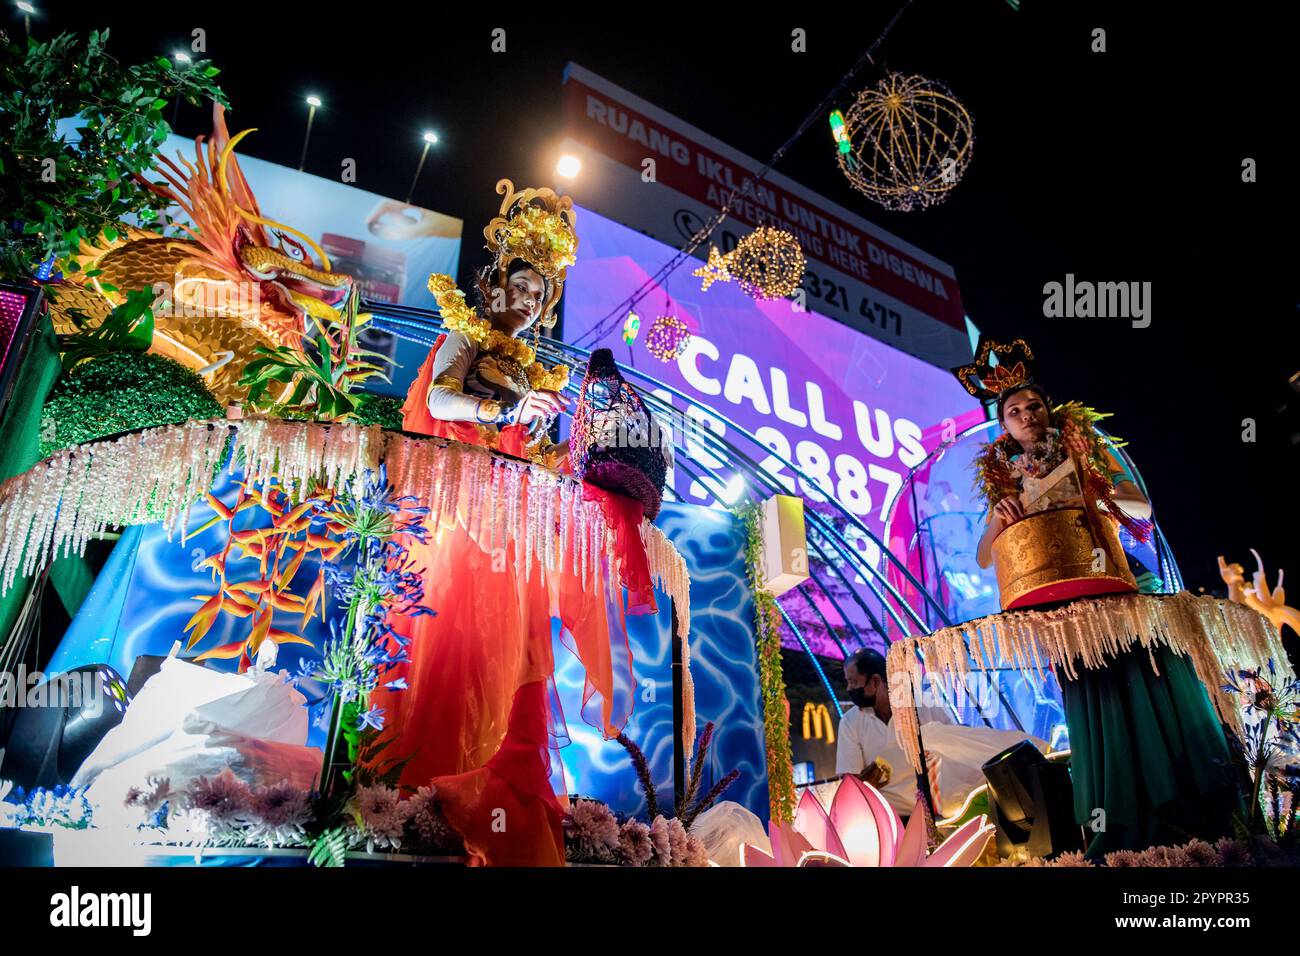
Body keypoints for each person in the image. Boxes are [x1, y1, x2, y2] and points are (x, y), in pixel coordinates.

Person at [365, 181, 636, 866]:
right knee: (449, 654)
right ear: (496, 285)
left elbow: (528, 455)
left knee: (511, 671)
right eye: (520, 288)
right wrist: (509, 414)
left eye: (540, 297)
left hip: (506, 541)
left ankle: (479, 813)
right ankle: (422, 802)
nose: (528, 303)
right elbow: (441, 400)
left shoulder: (530, 369)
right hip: (457, 528)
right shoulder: (466, 331)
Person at [957, 338, 1240, 857]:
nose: (1026, 416)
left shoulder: (1090, 448)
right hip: (1070, 618)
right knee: (1100, 709)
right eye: (1014, 412)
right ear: (1005, 429)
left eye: (1033, 405)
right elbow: (982, 557)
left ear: (1051, 409)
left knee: (1155, 692)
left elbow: (1142, 509)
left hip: (1122, 592)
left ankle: (1198, 818)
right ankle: (1127, 832)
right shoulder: (1007, 483)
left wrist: (1094, 489)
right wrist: (1000, 519)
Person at [837, 648, 951, 816]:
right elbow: (851, 782)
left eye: (853, 682)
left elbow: (954, 750)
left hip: (937, 811)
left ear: (875, 681)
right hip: (890, 819)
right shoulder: (850, 722)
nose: (849, 688)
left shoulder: (926, 706)